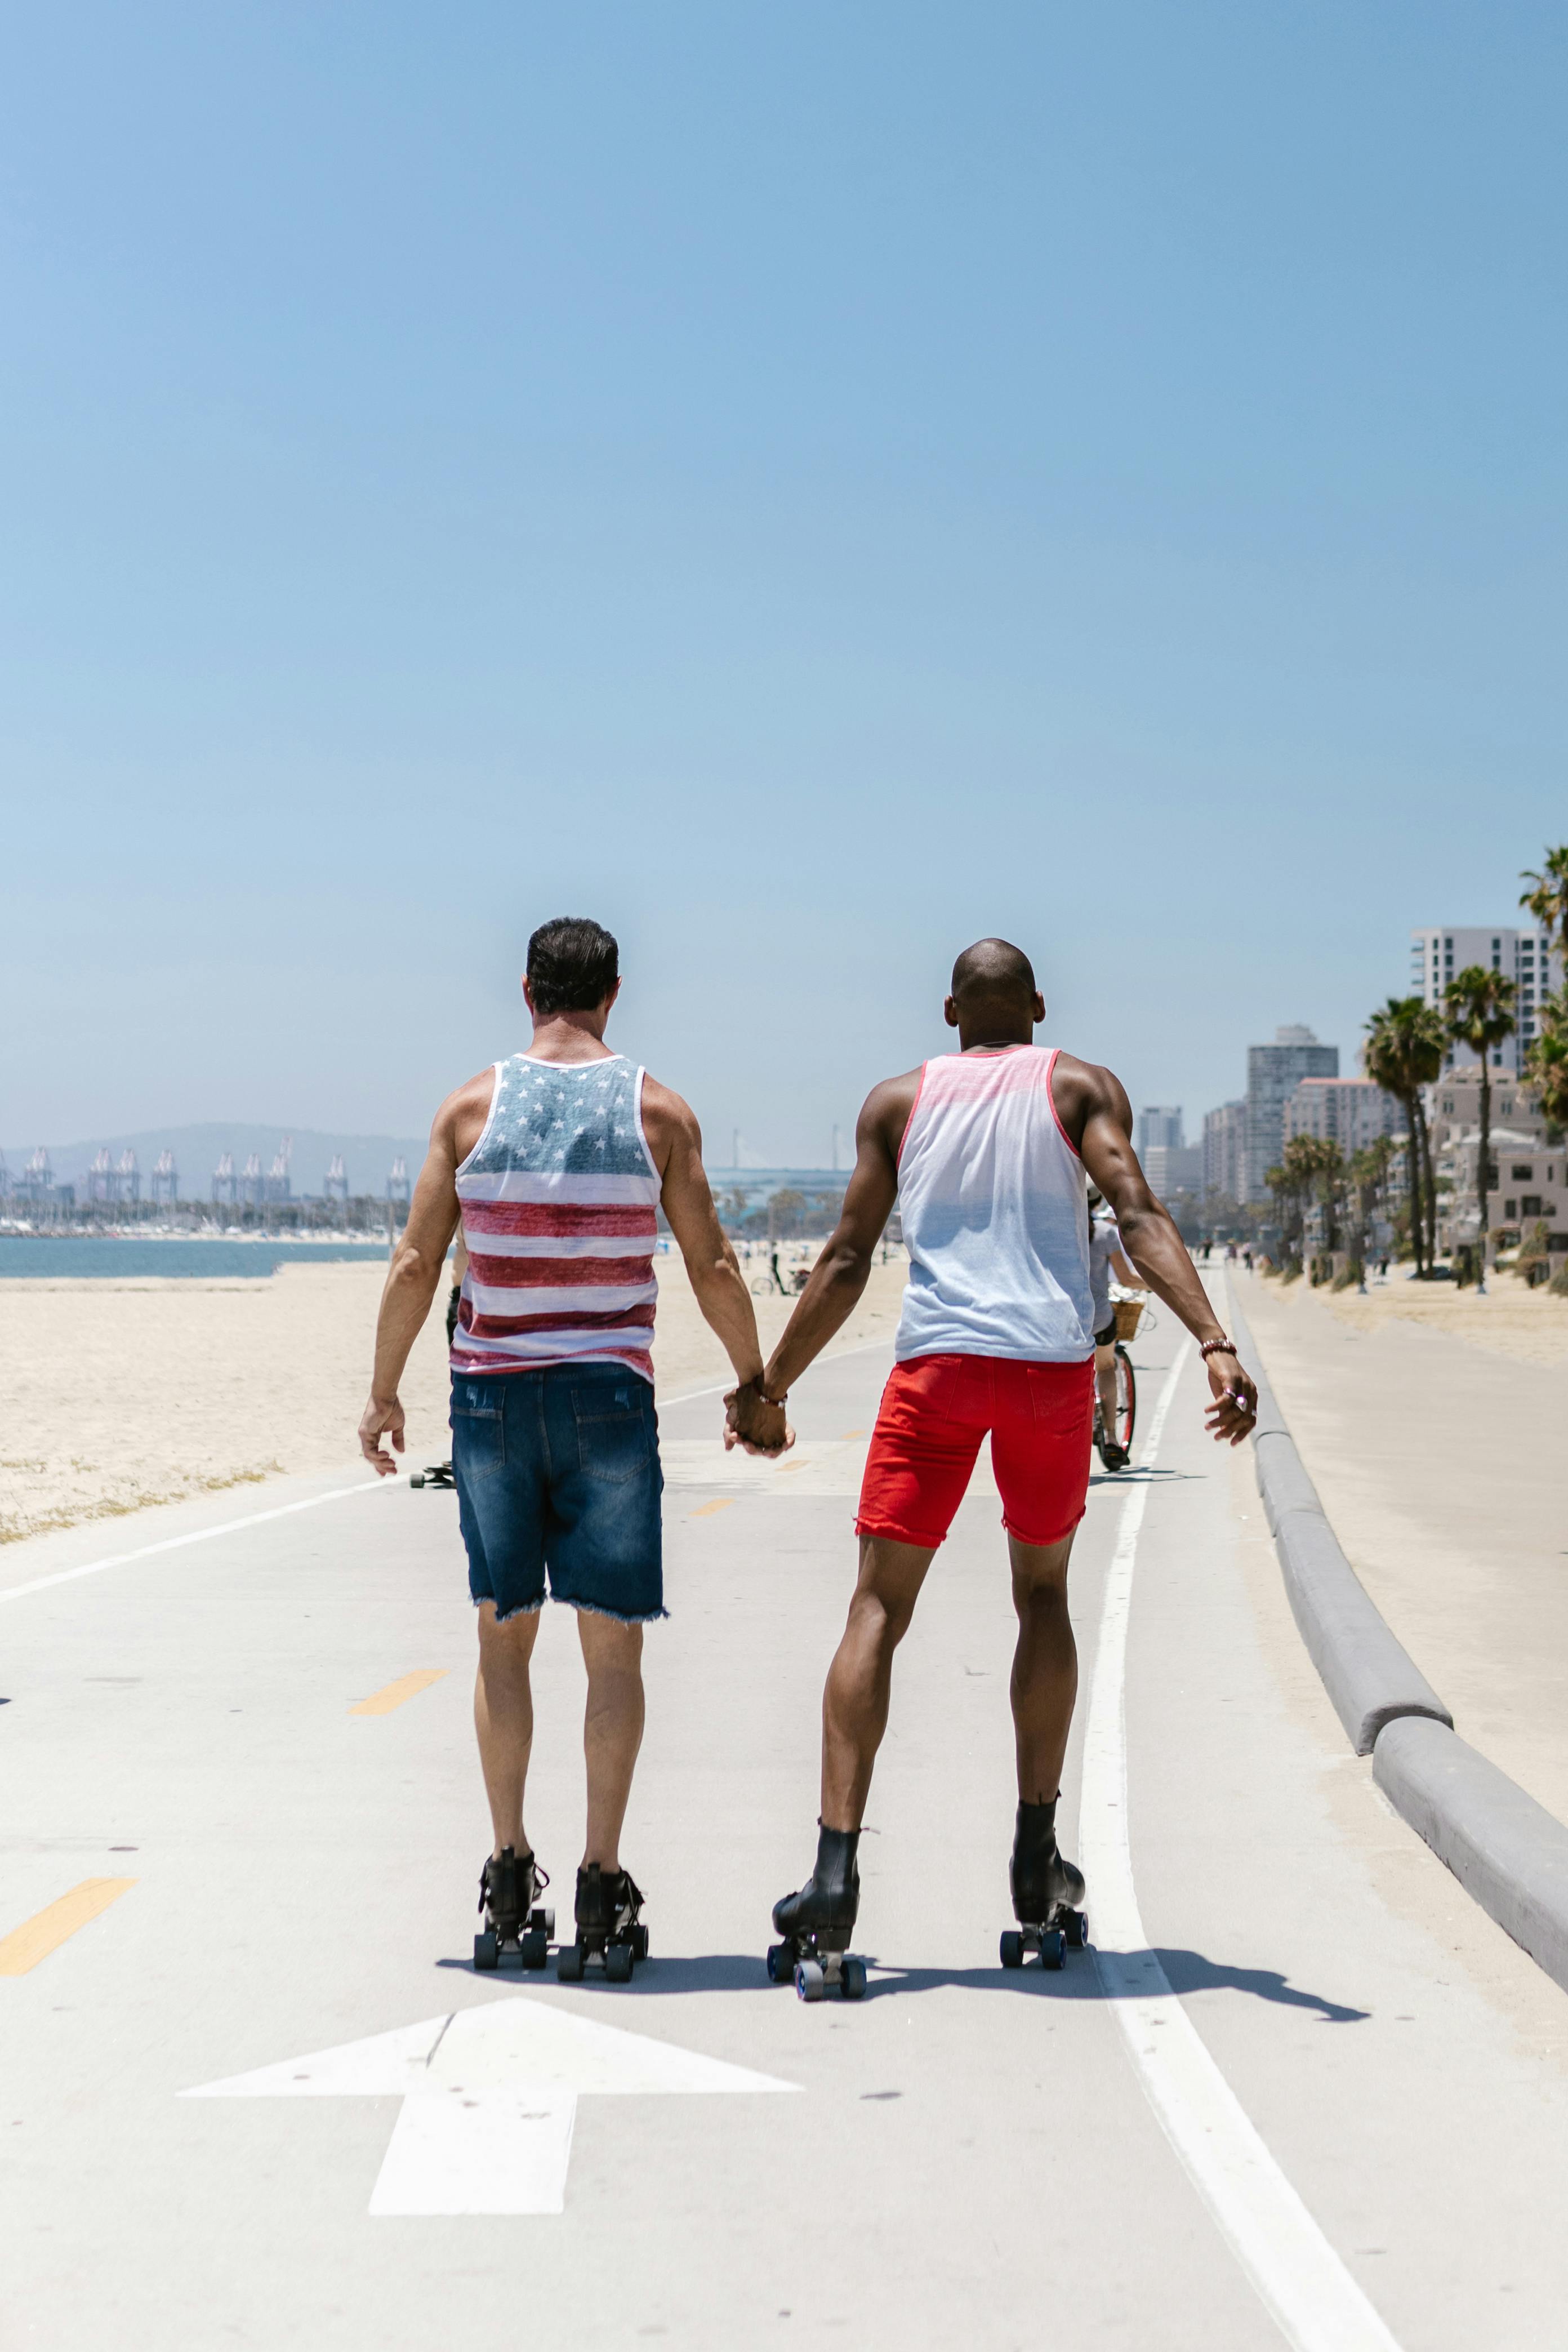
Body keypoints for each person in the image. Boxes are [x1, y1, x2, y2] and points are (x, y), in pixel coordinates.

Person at [738, 939, 1257, 1973]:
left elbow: (844, 1257)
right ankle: (1034, 1859)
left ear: (946, 1012)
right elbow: (1138, 1215)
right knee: (1043, 1597)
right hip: (1044, 1377)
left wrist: (770, 1387)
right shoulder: (1075, 1085)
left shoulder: (896, 1101)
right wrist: (1212, 1340)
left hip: (933, 1372)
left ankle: (834, 1877)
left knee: (876, 1609)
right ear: (1035, 1005)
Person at [359, 917, 789, 1977]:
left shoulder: (468, 1109)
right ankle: (598, 1889)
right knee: (612, 1650)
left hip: (492, 1404)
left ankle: (508, 1879)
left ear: (524, 992)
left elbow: (417, 1261)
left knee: (502, 1639)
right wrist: (754, 1383)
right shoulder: (657, 1111)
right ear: (613, 994)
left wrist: (381, 1392)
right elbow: (713, 1264)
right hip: (607, 1403)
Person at [1087, 1185, 1143, 1471]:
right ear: (1097, 1202)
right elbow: (1126, 1278)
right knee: (1105, 1366)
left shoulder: (1054, 1227)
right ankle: (1110, 1437)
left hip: (1059, 1317)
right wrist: (1151, 1286)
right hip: (1097, 1318)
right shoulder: (1106, 1233)